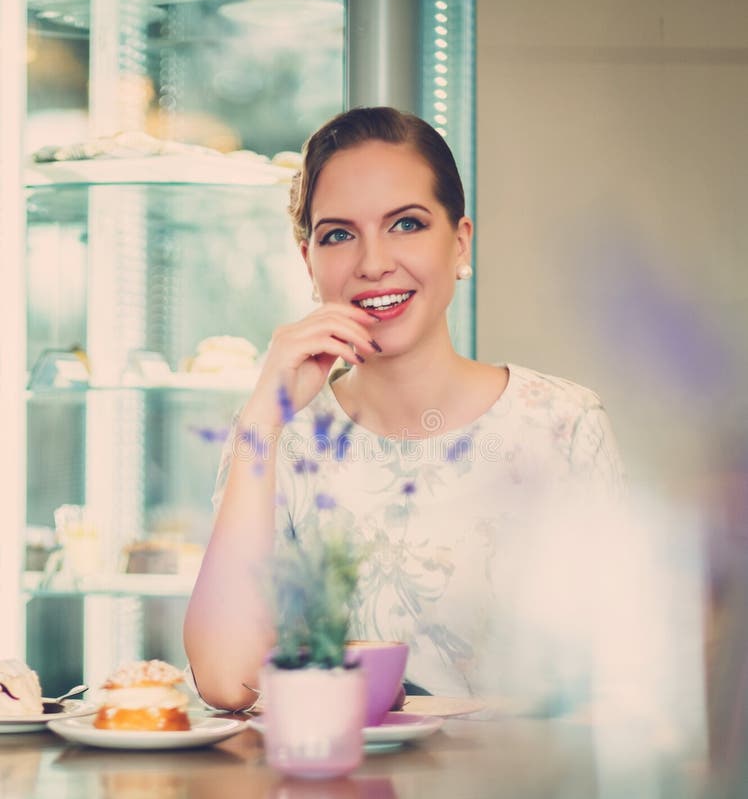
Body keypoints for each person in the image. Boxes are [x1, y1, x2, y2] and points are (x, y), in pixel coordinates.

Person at [184, 106, 625, 712]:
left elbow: (622, 682)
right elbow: (227, 680)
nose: (372, 262)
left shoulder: (562, 425)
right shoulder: (278, 438)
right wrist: (262, 416)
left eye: (406, 224)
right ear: (308, 262)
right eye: (338, 234)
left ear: (460, 242)